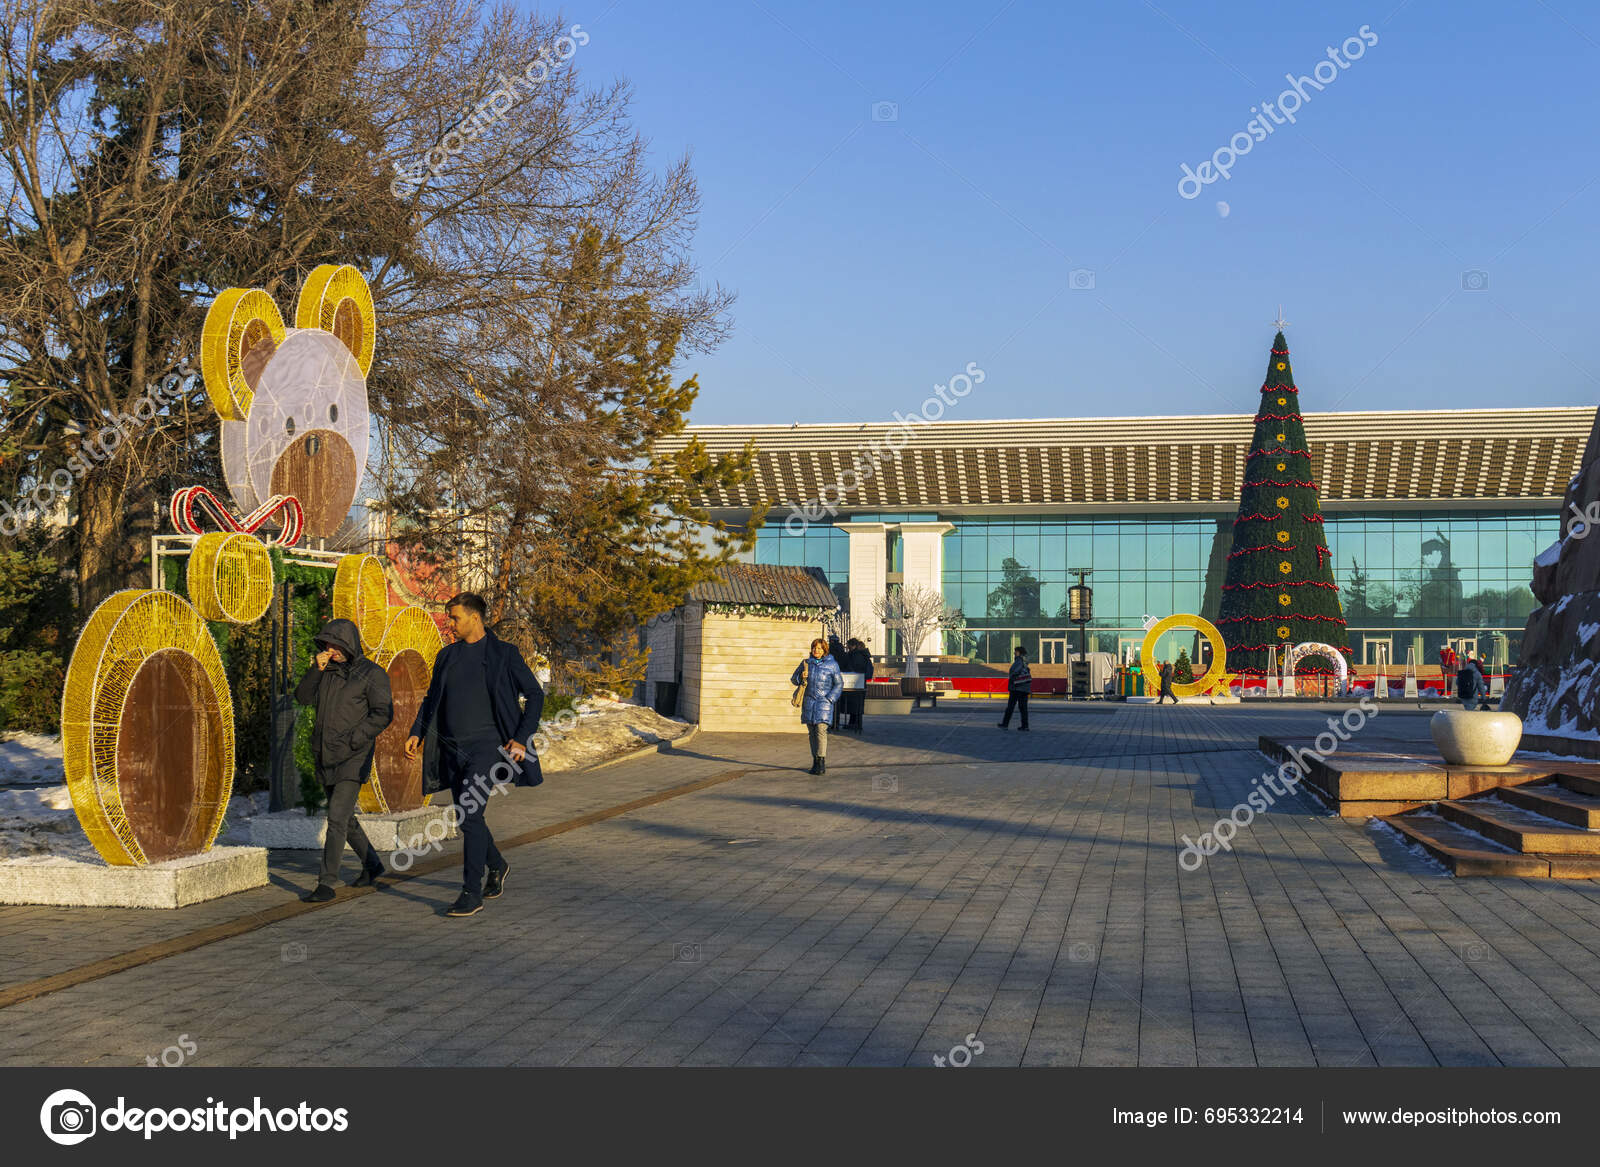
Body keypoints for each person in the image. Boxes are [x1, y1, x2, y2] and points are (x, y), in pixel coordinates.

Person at [404, 592, 544, 918]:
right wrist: (416, 731)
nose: (450, 623)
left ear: (474, 618)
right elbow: (432, 699)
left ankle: (471, 892)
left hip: (489, 748)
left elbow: (535, 695)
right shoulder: (447, 656)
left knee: (469, 814)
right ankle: (497, 864)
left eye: (455, 618)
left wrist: (521, 738)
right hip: (452, 750)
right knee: (470, 817)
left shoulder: (503, 654)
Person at [293, 618, 393, 902]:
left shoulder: (372, 674)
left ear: (349, 644)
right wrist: (316, 669)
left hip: (354, 755)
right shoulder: (325, 670)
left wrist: (356, 739)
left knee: (336, 817)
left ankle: (327, 882)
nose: (331, 649)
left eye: (336, 644)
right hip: (326, 753)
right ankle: (372, 864)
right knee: (345, 819)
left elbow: (383, 713)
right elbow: (302, 697)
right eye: (327, 644)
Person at [791, 637, 843, 774]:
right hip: (809, 702)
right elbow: (794, 679)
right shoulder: (806, 663)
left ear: (824, 650)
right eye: (814, 648)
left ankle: (821, 762)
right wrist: (801, 677)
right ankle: (815, 761)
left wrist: (830, 699)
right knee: (812, 733)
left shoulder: (832, 665)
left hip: (824, 703)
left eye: (819, 648)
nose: (816, 650)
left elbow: (839, 684)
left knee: (821, 731)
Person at [842, 637, 873, 734]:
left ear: (853, 646)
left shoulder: (854, 655)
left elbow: (850, 668)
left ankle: (854, 724)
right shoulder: (864, 655)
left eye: (848, 646)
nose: (848, 648)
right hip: (861, 682)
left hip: (853, 682)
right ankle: (856, 724)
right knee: (858, 705)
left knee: (854, 704)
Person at [998, 645, 1031, 730]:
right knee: (1023, 708)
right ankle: (1025, 726)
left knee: (1010, 707)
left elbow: (1015, 671)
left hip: (1016, 687)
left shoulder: (1019, 661)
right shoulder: (1025, 661)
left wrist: (1012, 676)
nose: (1014, 653)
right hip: (1025, 687)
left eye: (1015, 651)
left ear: (1019, 653)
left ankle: (1005, 724)